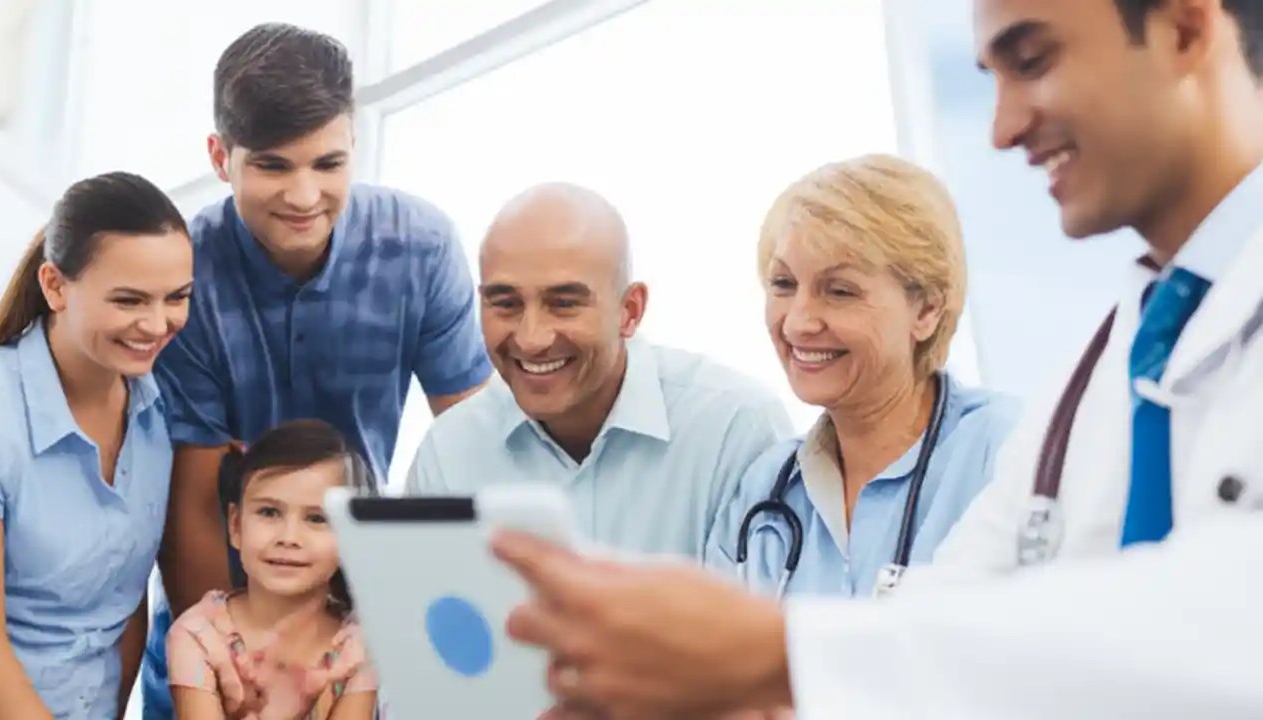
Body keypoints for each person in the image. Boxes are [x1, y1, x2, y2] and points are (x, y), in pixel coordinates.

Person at [487, 0, 1263, 717]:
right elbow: (961, 604)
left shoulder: (1000, 433)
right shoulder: (1104, 375)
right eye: (783, 285)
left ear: (1184, 31)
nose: (1000, 128)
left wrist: (778, 651)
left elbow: (1223, 617)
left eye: (1032, 60)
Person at [143, 22, 492, 719]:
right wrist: (228, 661)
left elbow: (476, 448)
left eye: (327, 165)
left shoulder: (420, 249)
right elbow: (193, 501)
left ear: (354, 147)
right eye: (274, 166)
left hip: (354, 625)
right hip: (212, 619)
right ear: (221, 156)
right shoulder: (187, 272)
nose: (305, 196)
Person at [408, 182, 793, 558]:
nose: (531, 339)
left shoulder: (735, 430)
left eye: (563, 303)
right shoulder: (449, 451)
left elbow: (762, 614)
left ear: (630, 311)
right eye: (505, 304)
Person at [704, 155, 1018, 599]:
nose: (797, 323)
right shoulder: (765, 490)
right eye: (783, 284)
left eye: (839, 291)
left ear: (927, 308)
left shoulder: (1007, 450)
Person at [0, 172, 192, 718]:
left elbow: (123, 605)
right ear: (55, 286)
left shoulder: (159, 411)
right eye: (128, 300)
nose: (156, 323)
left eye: (177, 297)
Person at [167, 419, 378, 720]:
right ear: (236, 525)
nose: (288, 538)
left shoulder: (359, 646)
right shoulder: (199, 635)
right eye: (269, 512)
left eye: (317, 519)